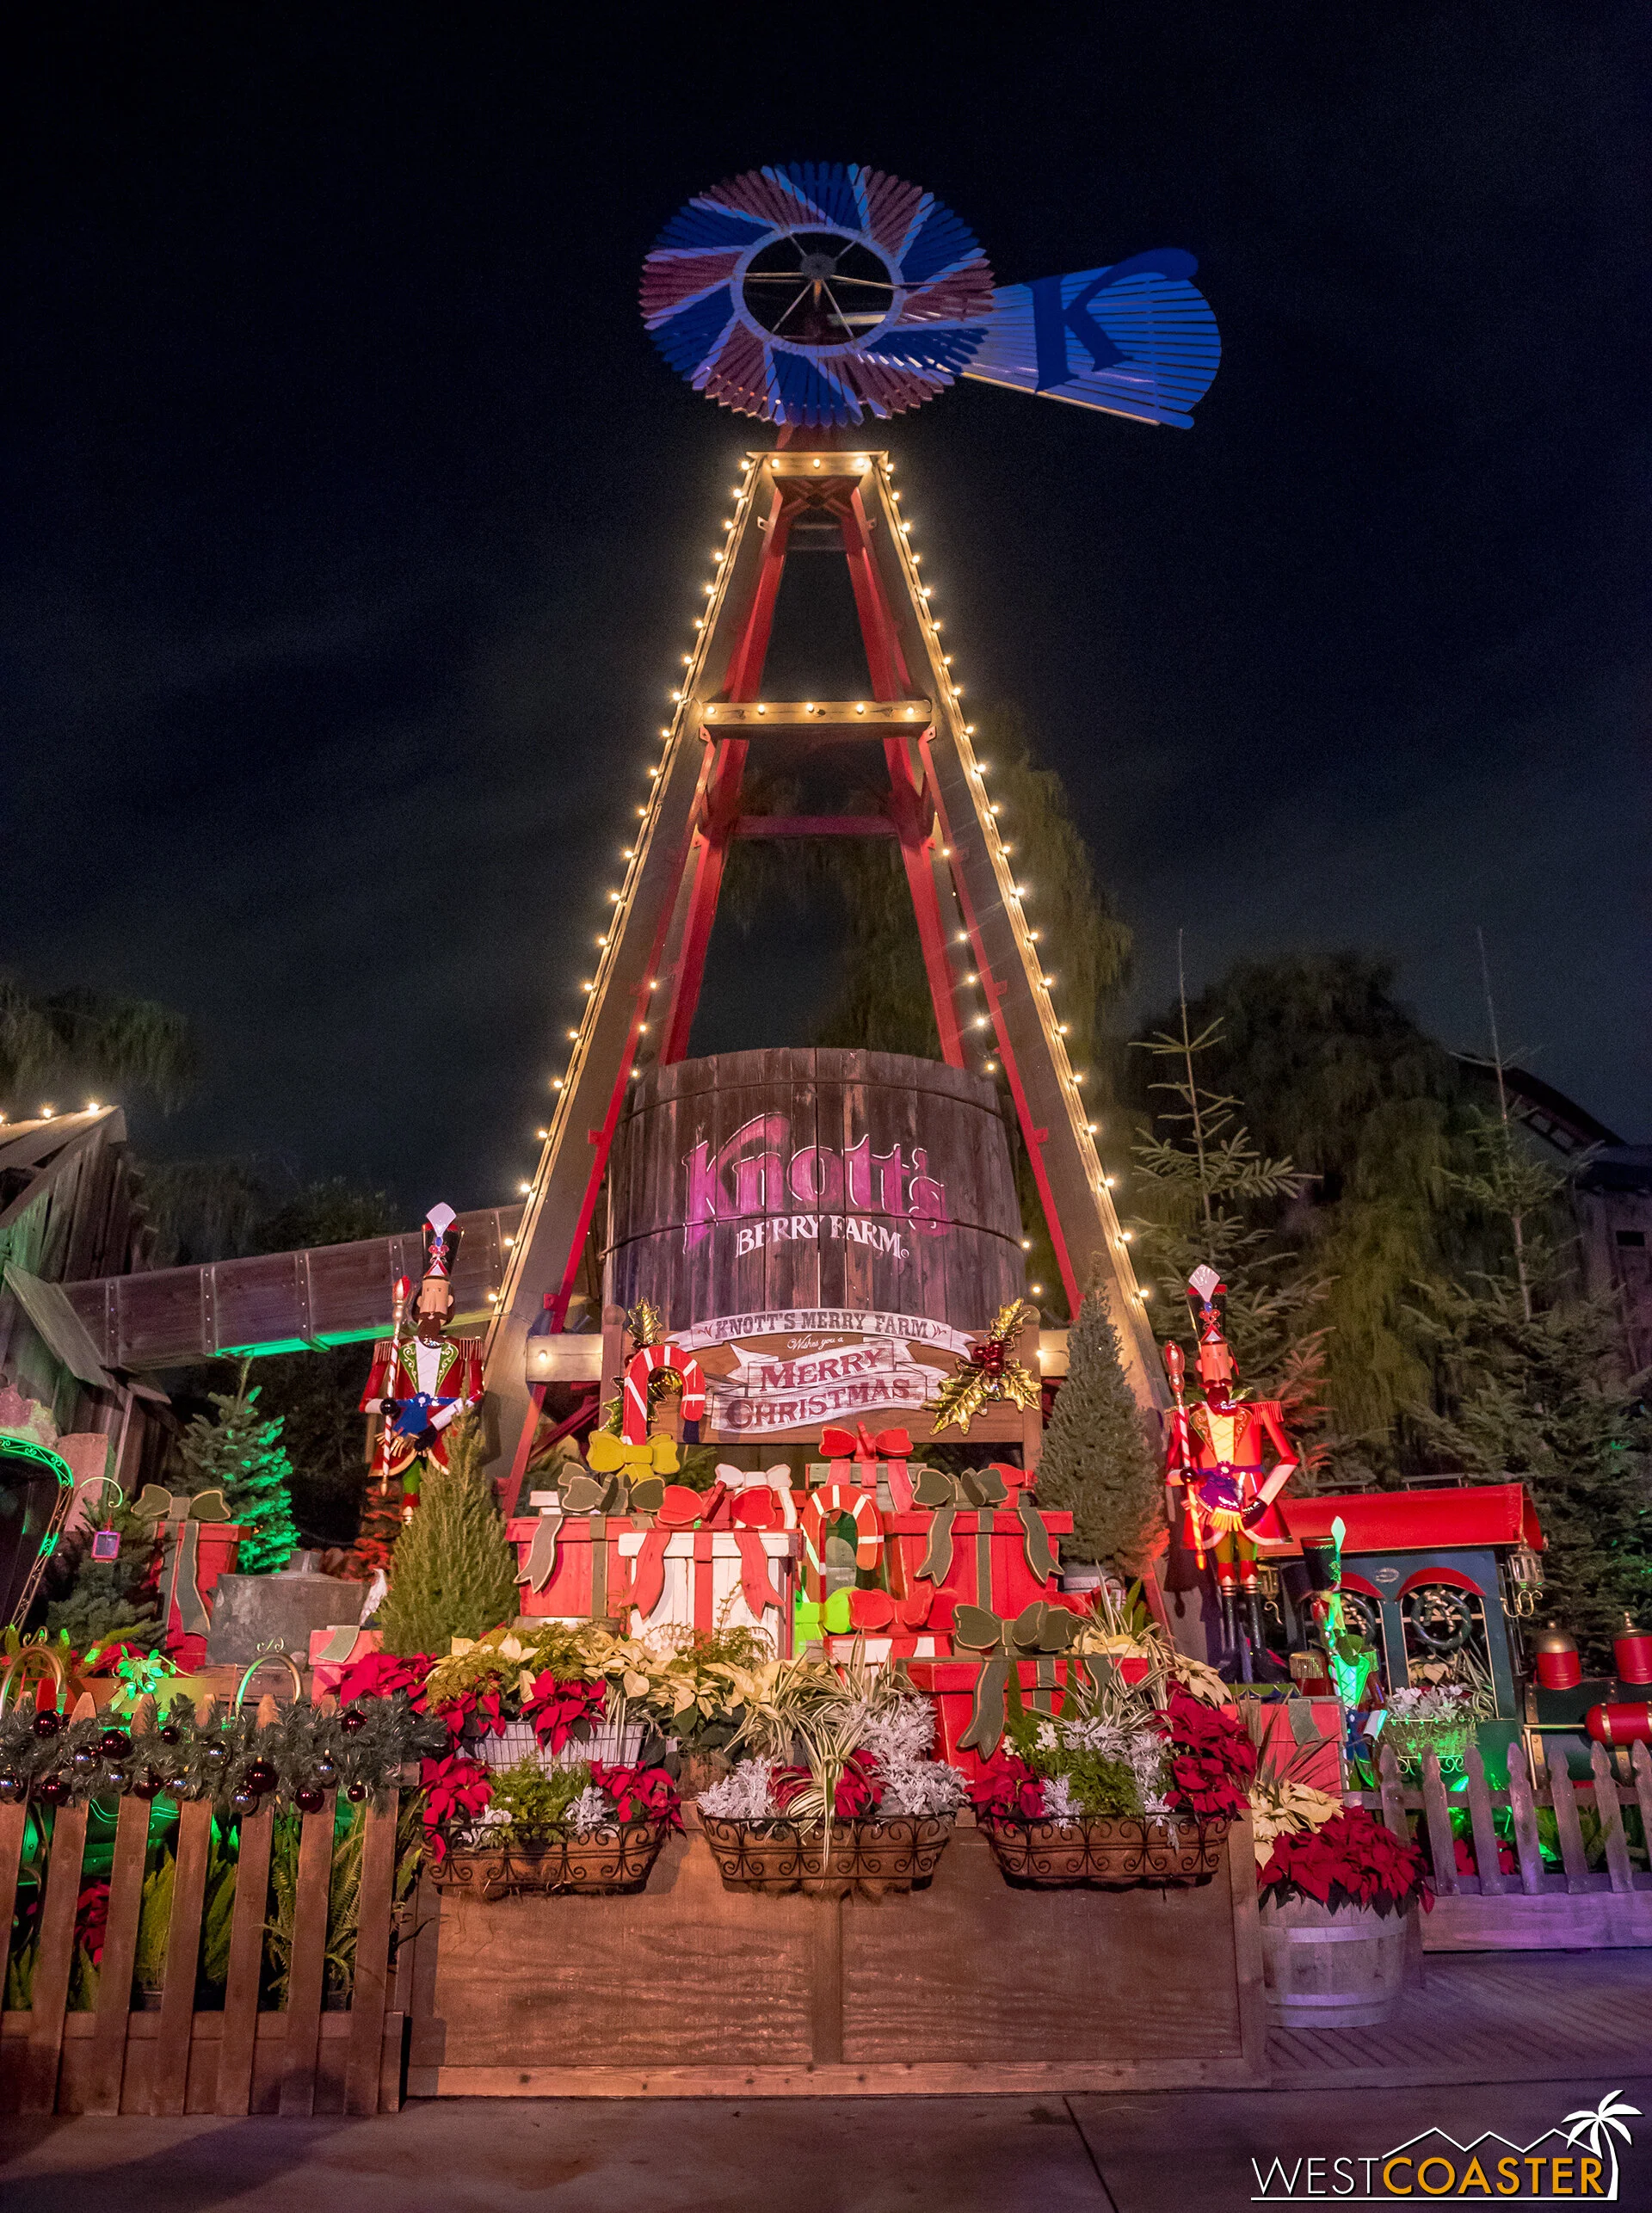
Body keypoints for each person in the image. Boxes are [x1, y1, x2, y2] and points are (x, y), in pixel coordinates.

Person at [1163, 1264, 1298, 1661]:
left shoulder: (1257, 1411)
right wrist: (1182, 1474)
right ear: (1198, 1369)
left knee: (1250, 1572)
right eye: (1210, 1358)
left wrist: (1263, 1500)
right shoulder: (1187, 1416)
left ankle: (1258, 1650)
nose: (1217, 1367)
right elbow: (1171, 1472)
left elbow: (1287, 1458)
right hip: (1210, 1502)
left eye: (1222, 1355)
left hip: (1251, 1500)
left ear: (1232, 1361)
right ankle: (1229, 1655)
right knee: (1224, 1575)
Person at [359, 1203, 484, 1520]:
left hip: (445, 1428)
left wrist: (436, 1424)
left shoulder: (466, 1348)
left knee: (446, 1491)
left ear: (450, 1305)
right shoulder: (394, 1349)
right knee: (408, 1491)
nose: (431, 1309)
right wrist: (383, 1406)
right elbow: (367, 1401)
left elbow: (475, 1393)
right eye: (426, 1299)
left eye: (439, 1299)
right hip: (404, 1424)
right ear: (414, 1306)